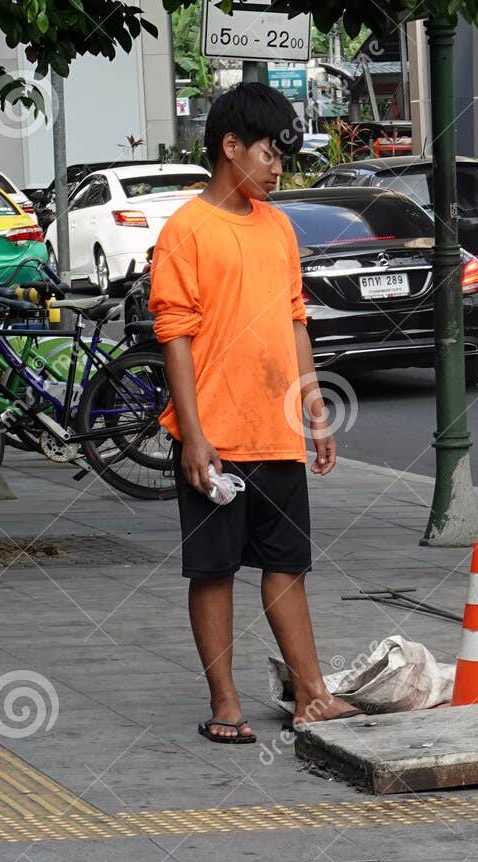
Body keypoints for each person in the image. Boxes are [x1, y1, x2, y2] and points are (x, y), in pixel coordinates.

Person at [150, 83, 359, 743]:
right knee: (212, 570)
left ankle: (313, 696)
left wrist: (313, 405)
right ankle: (226, 702)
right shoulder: (188, 229)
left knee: (286, 563)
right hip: (214, 435)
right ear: (230, 147)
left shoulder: (278, 227)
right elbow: (175, 337)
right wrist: (195, 437)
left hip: (275, 432)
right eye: (269, 153)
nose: (277, 168)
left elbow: (294, 323)